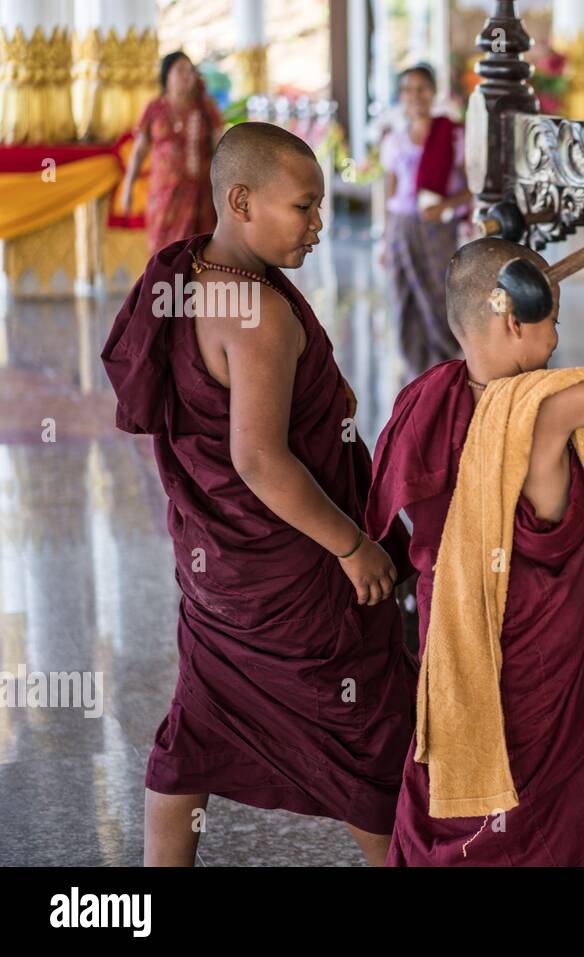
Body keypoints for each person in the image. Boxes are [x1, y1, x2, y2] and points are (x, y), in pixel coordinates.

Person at [101, 122, 418, 866]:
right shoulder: (260, 315)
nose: (317, 225)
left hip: (221, 571)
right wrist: (351, 544)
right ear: (240, 200)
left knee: (199, 725)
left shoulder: (183, 276)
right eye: (303, 208)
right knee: (369, 732)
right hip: (291, 574)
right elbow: (258, 459)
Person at [365, 200, 584, 866]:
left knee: (463, 807)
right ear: (513, 317)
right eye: (555, 317)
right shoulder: (546, 409)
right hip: (541, 668)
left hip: (452, 655)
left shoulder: (422, 396)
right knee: (547, 825)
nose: (560, 330)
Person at [378, 64, 467, 378]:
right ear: (400, 96)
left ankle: (446, 365)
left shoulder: (451, 135)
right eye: (407, 90)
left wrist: (446, 204)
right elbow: (389, 194)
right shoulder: (394, 142)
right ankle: (415, 367)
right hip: (403, 226)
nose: (414, 96)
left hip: (438, 228)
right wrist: (385, 240)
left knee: (437, 294)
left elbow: (471, 189)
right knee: (404, 294)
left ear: (433, 92)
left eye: (421, 89)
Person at [120, 51, 225, 253]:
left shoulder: (206, 108)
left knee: (200, 251)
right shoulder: (154, 108)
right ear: (166, 75)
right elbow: (140, 149)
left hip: (200, 195)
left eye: (190, 70)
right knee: (165, 252)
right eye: (180, 70)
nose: (187, 75)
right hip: (164, 195)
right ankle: (166, 284)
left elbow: (220, 147)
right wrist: (128, 187)